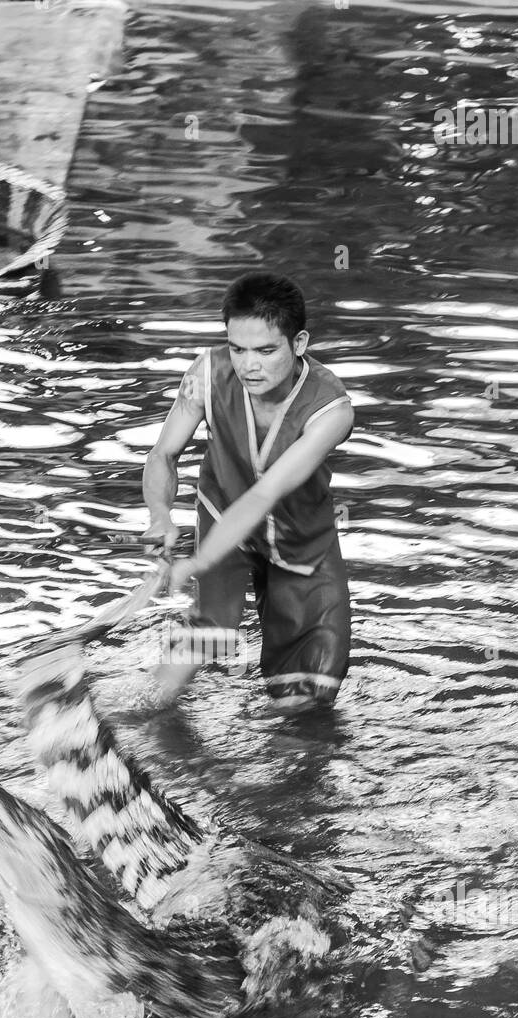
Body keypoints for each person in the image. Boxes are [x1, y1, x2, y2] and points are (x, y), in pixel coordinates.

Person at [141, 271, 354, 710]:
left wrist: (195, 562)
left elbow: (262, 495)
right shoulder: (205, 374)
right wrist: (160, 515)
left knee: (305, 695)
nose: (248, 365)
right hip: (223, 519)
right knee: (205, 637)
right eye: (237, 349)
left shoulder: (331, 410)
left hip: (302, 542)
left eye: (266, 350)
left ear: (299, 344)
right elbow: (163, 455)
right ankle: (135, 721)